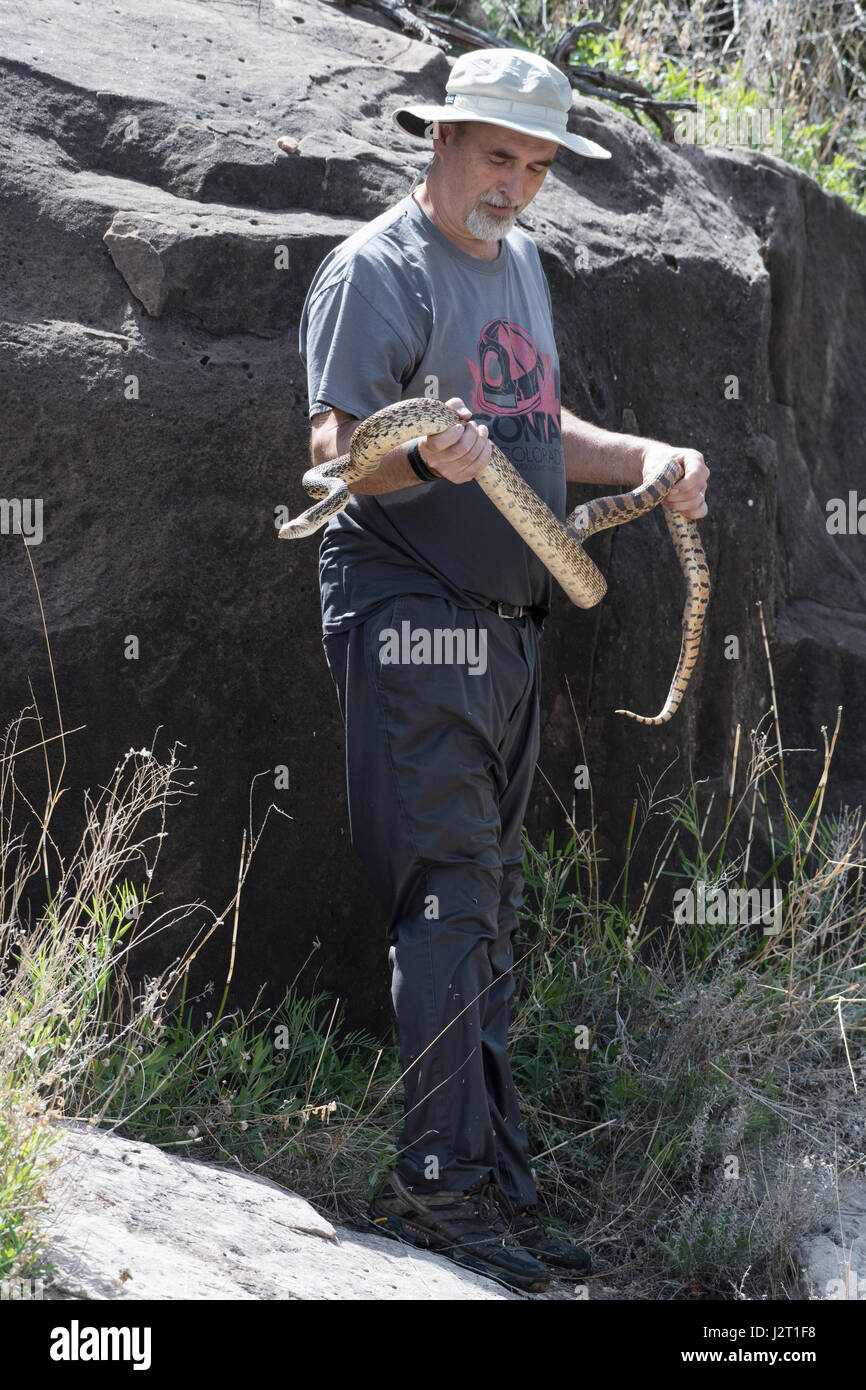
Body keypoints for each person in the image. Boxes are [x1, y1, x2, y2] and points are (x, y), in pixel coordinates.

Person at [296, 47, 709, 1294]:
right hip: (411, 615)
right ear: (440, 138)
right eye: (497, 155)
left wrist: (647, 453)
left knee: (481, 916)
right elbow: (330, 459)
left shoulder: (516, 261)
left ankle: (493, 1188)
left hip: (509, 627)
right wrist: (424, 460)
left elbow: (538, 429)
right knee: (447, 900)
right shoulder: (374, 270)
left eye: (534, 165)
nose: (515, 185)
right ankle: (438, 1193)